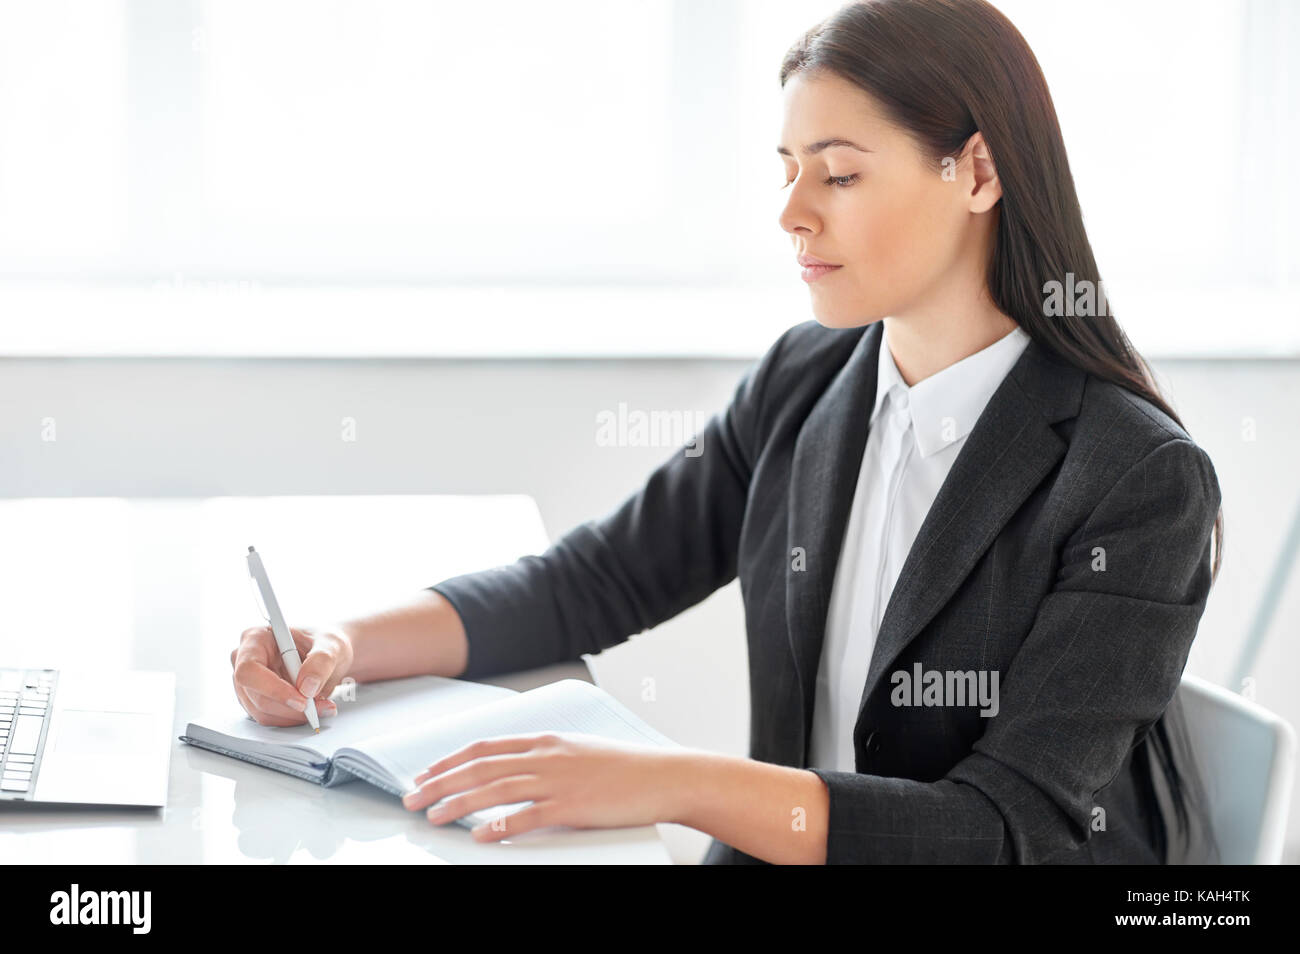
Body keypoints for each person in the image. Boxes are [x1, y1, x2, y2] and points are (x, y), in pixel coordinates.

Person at [231, 0, 1224, 864]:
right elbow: (593, 582)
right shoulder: (808, 378)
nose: (790, 213)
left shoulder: (1137, 480)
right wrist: (344, 646)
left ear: (977, 172)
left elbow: (1004, 831)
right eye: (788, 170)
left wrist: (669, 782)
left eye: (836, 176)